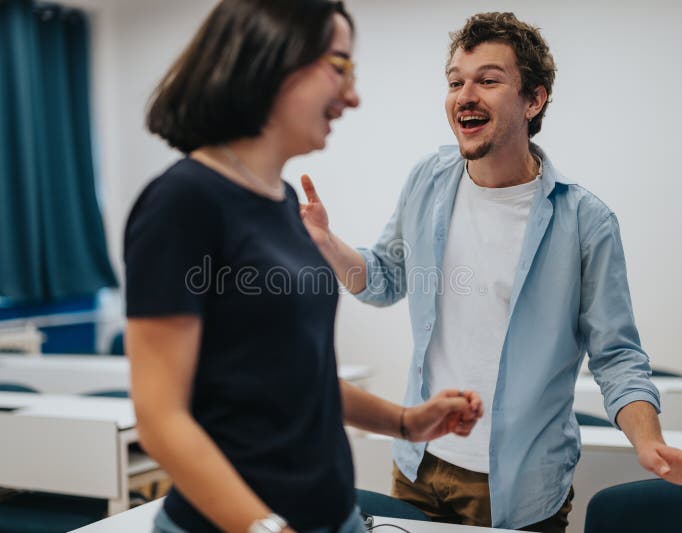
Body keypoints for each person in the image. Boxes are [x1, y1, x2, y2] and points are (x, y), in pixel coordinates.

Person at [299, 11, 682, 533]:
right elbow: (385, 279)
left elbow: (617, 356)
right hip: (420, 462)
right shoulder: (428, 180)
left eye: (487, 80)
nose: (465, 95)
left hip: (521, 484)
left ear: (534, 99)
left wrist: (651, 444)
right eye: (455, 82)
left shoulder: (585, 221)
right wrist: (326, 243)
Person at [123, 2, 483, 533]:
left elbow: (296, 376)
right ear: (269, 58)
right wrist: (263, 527)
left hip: (330, 515)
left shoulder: (282, 200)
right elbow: (160, 420)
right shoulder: (182, 202)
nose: (352, 96)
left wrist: (406, 423)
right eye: (340, 67)